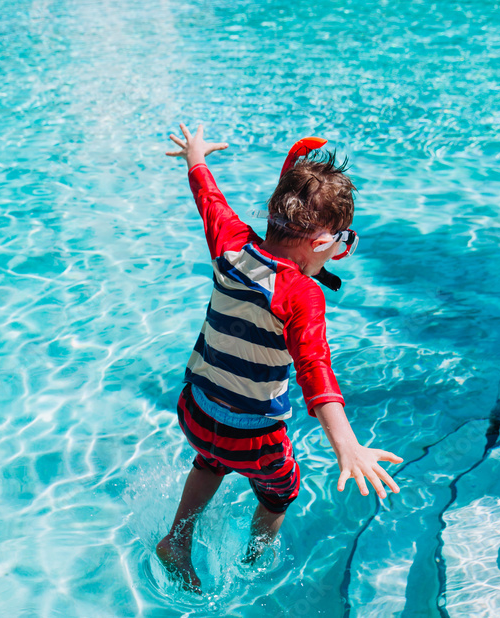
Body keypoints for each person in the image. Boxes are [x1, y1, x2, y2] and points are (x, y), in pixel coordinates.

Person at [155, 123, 403, 592]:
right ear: (321, 244)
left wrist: (195, 156)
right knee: (280, 494)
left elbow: (209, 197)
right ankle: (255, 565)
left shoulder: (231, 244)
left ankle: (177, 540)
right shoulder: (301, 294)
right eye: (341, 242)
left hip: (196, 410)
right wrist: (346, 445)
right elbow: (315, 369)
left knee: (209, 460)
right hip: (252, 437)